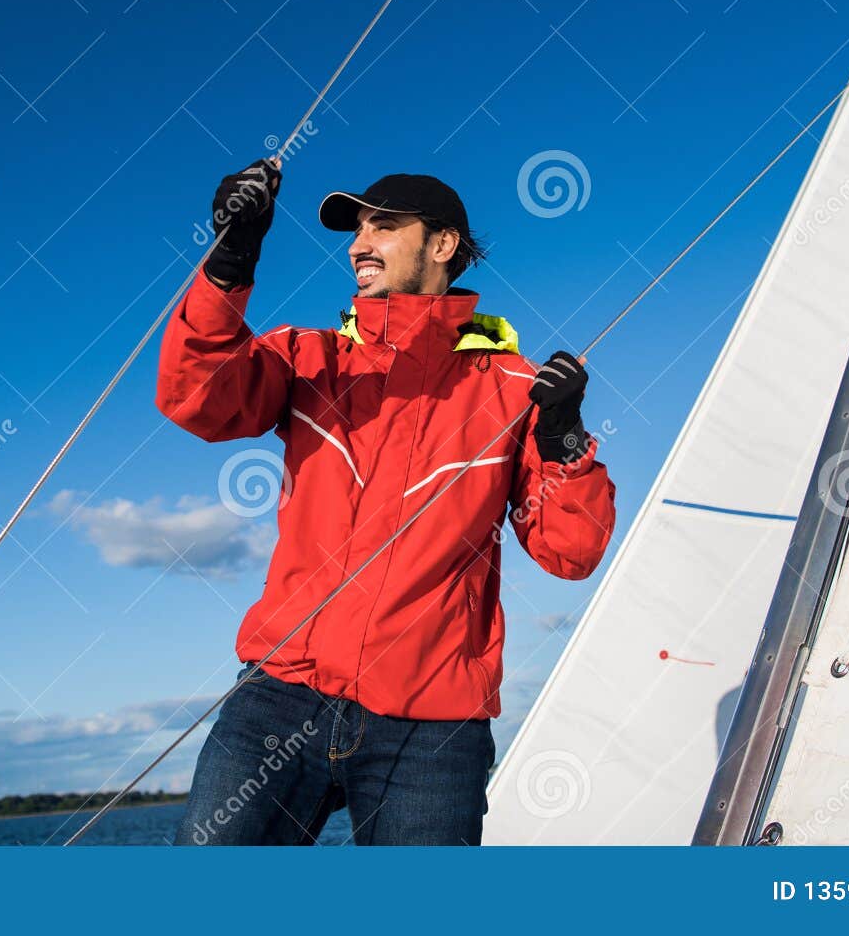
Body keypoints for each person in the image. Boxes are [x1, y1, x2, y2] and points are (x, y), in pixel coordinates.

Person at [156, 160, 616, 845]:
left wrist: (564, 440)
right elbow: (196, 396)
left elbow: (570, 553)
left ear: (442, 245)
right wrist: (229, 261)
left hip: (433, 719)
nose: (358, 242)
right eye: (356, 228)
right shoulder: (309, 357)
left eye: (384, 225)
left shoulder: (516, 389)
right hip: (280, 696)